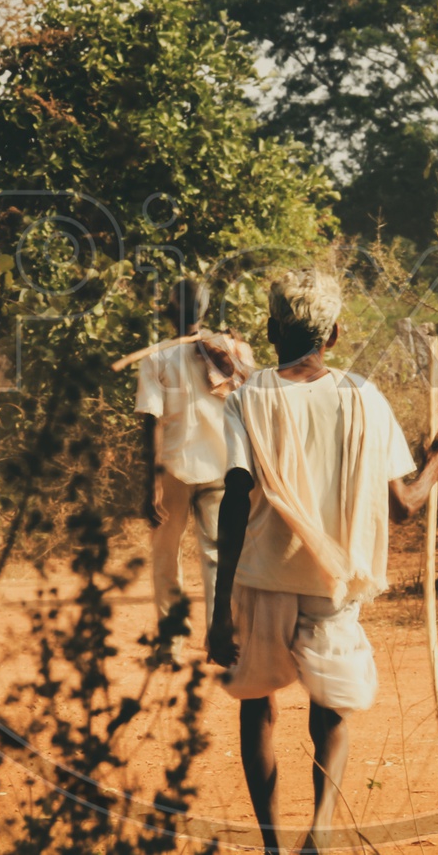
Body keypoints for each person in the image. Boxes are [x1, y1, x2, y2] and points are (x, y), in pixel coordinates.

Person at [206, 269, 438, 854]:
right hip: (332, 581)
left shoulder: (246, 399)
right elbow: (405, 506)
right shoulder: (363, 398)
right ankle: (319, 832)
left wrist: (219, 609)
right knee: (332, 705)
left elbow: (235, 504)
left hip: (261, 579)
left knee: (256, 706)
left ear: (271, 331)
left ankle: (271, 844)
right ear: (337, 334)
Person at [136, 278, 253, 658]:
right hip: (213, 466)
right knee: (216, 555)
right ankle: (217, 636)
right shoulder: (227, 350)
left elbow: (150, 422)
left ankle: (173, 640)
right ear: (204, 310)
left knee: (167, 554)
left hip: (179, 468)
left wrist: (150, 482)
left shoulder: (160, 356)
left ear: (169, 311)